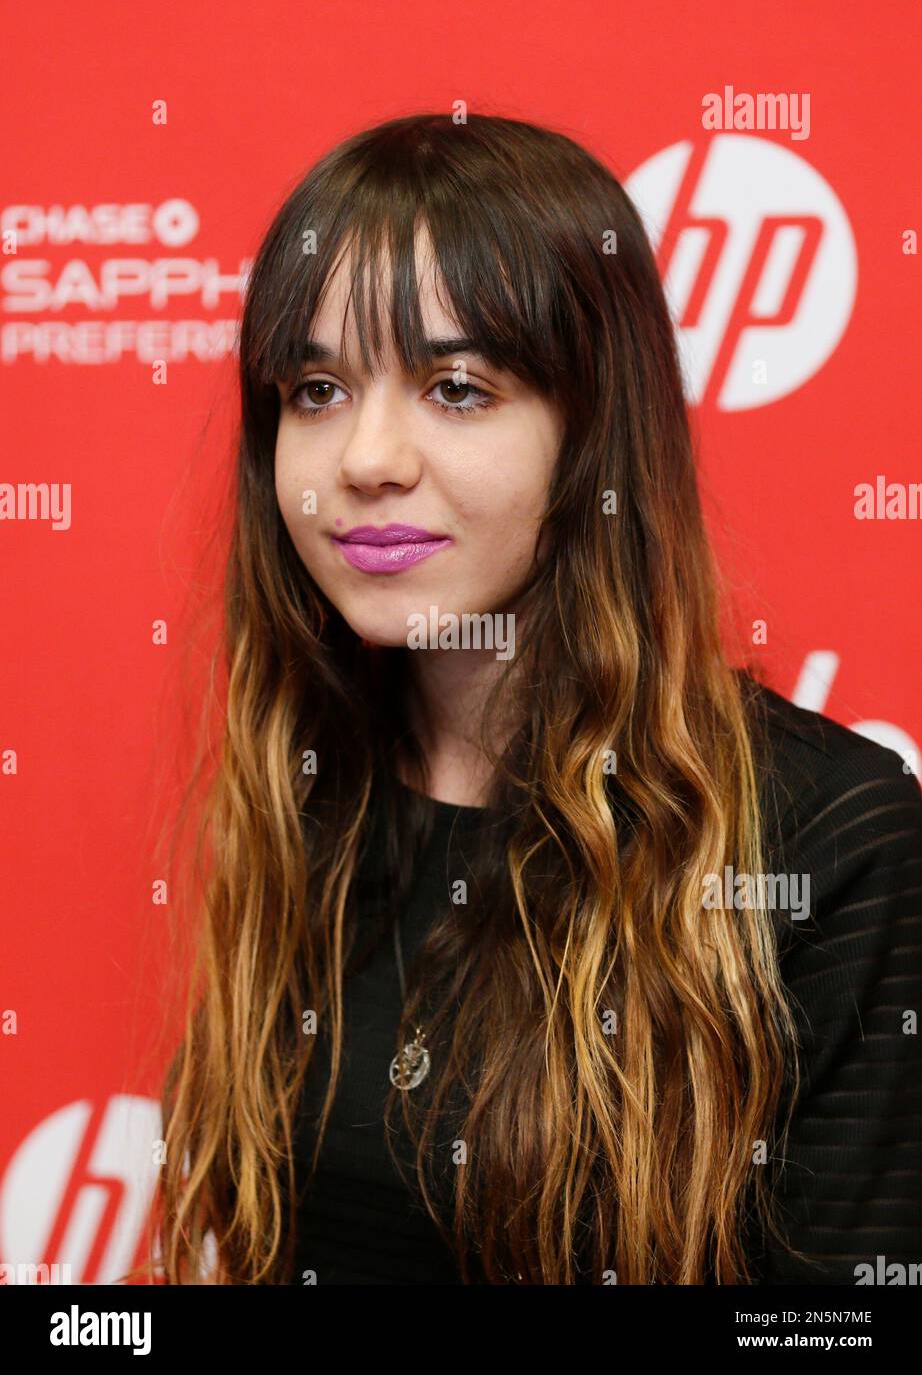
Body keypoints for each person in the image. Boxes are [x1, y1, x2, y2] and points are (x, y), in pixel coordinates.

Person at [149, 112, 922, 1285]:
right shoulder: (311, 784)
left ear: (593, 433)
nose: (365, 456)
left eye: (456, 387)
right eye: (315, 386)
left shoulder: (828, 832)